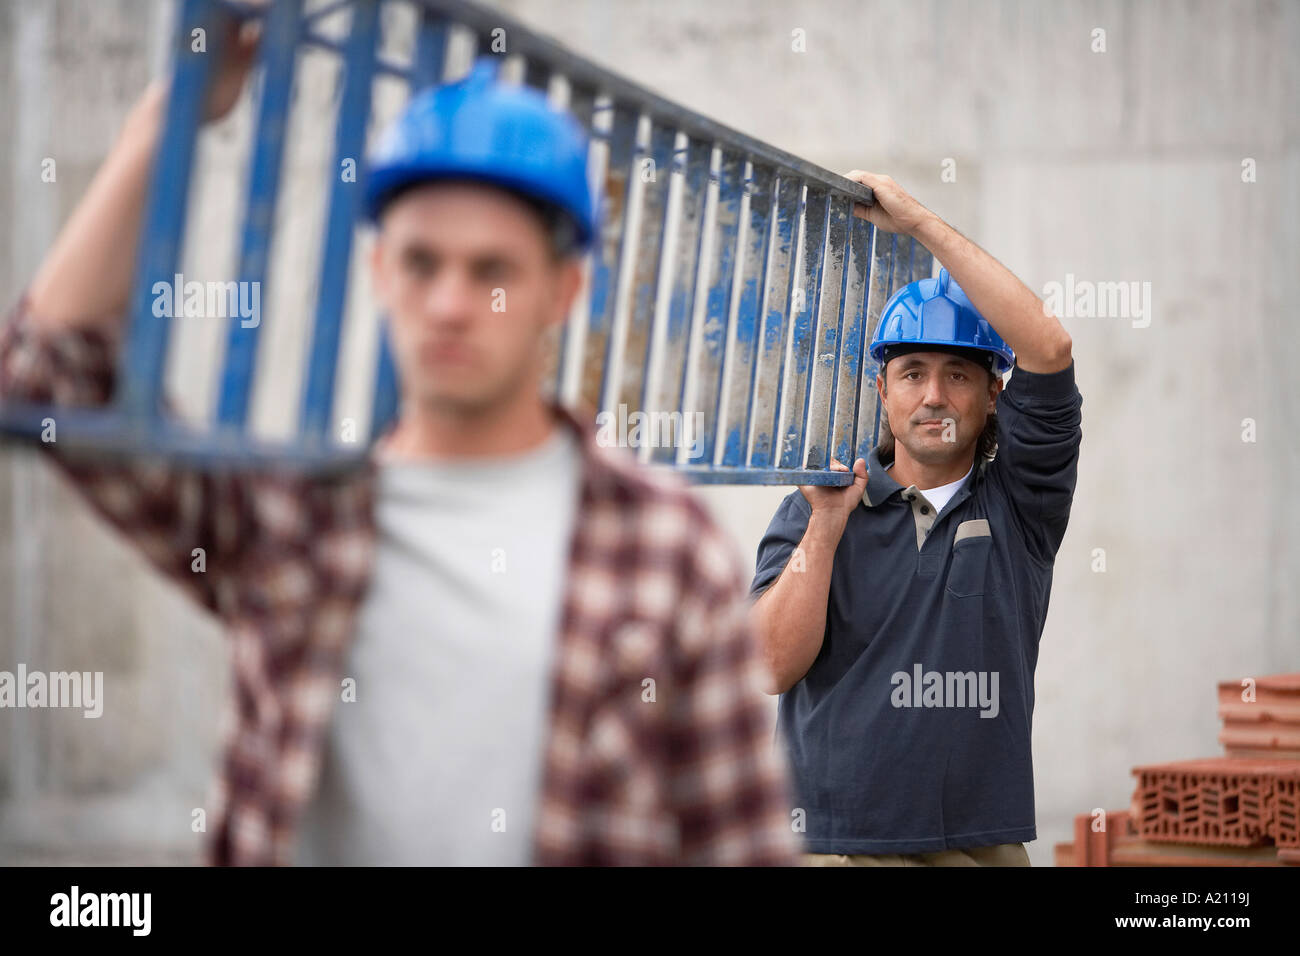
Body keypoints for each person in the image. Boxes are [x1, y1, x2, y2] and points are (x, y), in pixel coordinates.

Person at [0, 15, 797, 866]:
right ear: (380, 273)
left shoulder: (663, 547)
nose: (451, 303)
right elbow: (49, 379)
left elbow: (738, 846)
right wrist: (173, 115)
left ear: (563, 291)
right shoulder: (294, 513)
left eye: (491, 271)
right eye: (421, 263)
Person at [750, 170, 1082, 866]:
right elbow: (769, 667)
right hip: (837, 846)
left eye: (958, 375)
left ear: (994, 393)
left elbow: (1048, 349)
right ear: (882, 388)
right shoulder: (812, 508)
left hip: (982, 846)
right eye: (912, 373)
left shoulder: (1020, 505)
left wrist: (923, 227)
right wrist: (826, 528)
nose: (934, 395)